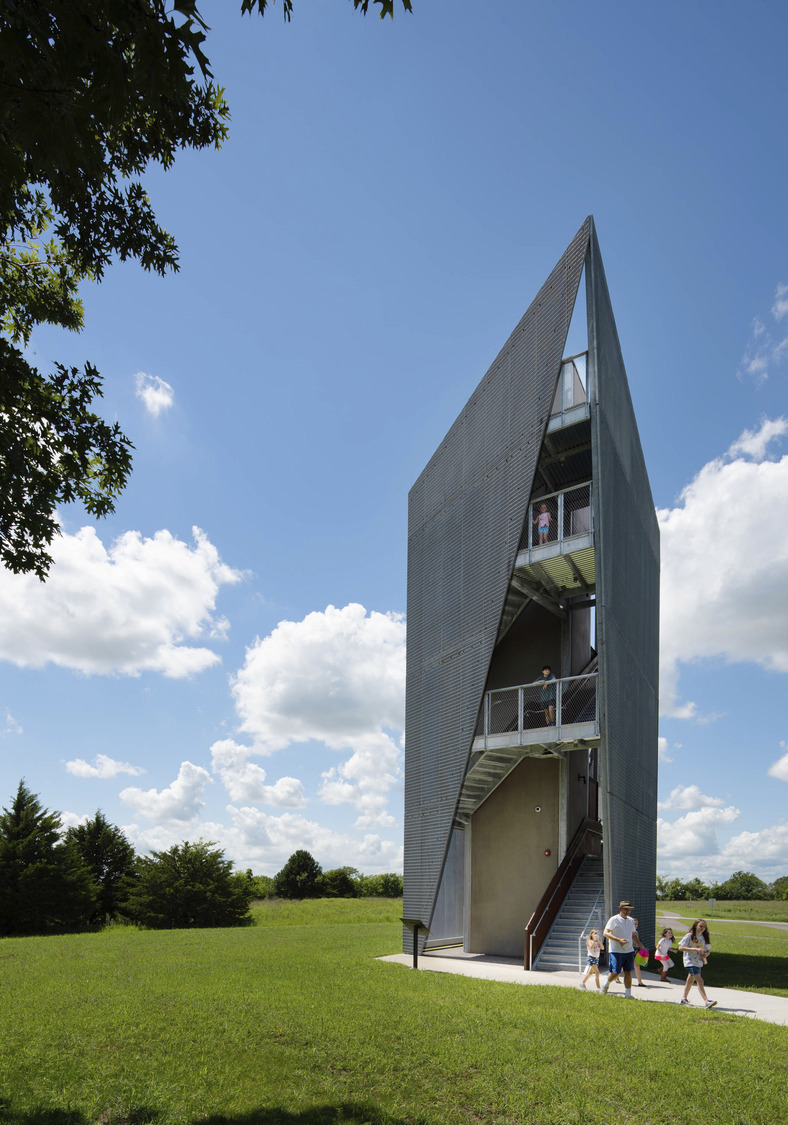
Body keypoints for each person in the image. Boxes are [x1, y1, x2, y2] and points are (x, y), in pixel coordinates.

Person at [601, 899, 639, 998]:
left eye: (629, 909)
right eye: (626, 909)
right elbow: (605, 933)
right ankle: (606, 985)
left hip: (629, 951)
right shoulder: (614, 919)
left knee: (628, 971)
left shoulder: (631, 920)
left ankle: (628, 994)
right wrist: (618, 940)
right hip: (616, 951)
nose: (628, 911)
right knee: (616, 972)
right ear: (621, 909)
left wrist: (641, 945)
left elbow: (633, 935)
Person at [678, 919, 717, 1008]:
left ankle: (684, 999)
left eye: (704, 926)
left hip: (699, 962)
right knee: (700, 980)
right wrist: (695, 949)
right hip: (690, 962)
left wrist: (706, 954)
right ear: (696, 926)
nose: (703, 928)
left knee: (690, 981)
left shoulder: (703, 937)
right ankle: (706, 1001)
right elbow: (680, 948)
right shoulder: (689, 936)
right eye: (700, 926)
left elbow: (707, 950)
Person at [631, 918, 648, 987]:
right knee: (624, 966)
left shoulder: (636, 932)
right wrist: (641, 946)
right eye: (634, 924)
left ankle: (640, 982)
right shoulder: (629, 932)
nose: (636, 925)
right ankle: (616, 977)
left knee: (637, 965)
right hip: (629, 950)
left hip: (635, 950)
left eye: (637, 924)